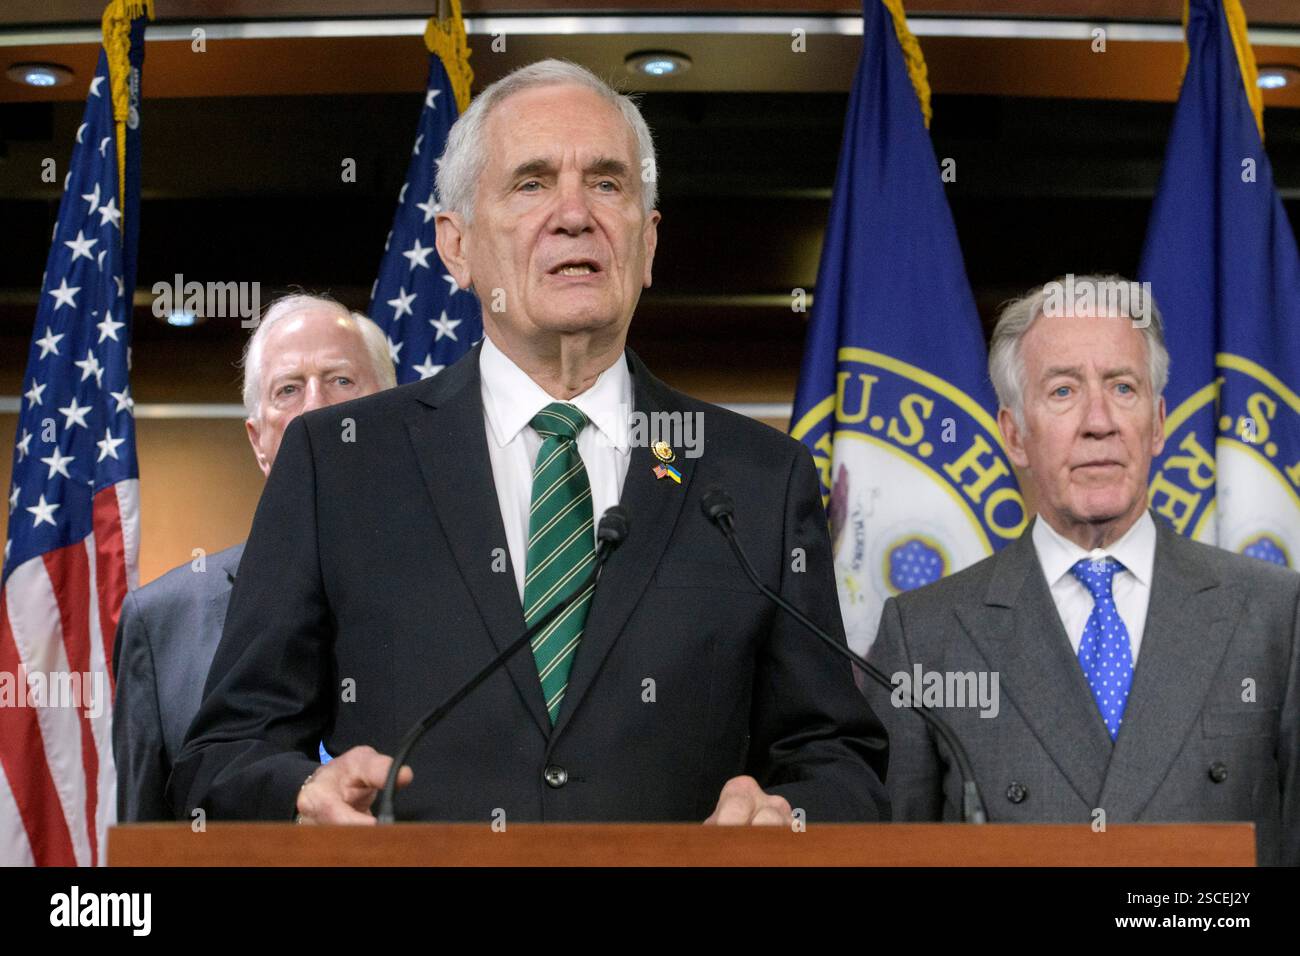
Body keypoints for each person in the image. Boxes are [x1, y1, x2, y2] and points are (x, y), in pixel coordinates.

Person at [169, 59, 889, 826]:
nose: (575, 214)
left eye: (608, 183)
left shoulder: (758, 478)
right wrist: (299, 793)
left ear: (646, 245)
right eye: (532, 183)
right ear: (456, 246)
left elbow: (836, 760)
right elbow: (223, 756)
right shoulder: (337, 463)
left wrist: (787, 814)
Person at [866, 274, 1299, 864]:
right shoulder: (924, 635)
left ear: (1159, 422)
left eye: (1123, 388)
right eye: (1064, 391)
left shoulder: (1276, 614)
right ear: (1014, 433)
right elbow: (887, 858)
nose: (1100, 420)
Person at [111, 294, 395, 821]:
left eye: (341, 380)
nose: (315, 408)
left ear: (393, 409)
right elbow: (148, 839)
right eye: (289, 389)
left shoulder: (461, 585)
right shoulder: (162, 621)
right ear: (257, 440)